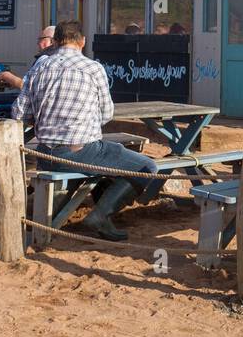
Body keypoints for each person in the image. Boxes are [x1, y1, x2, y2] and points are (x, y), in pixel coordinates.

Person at [11, 20, 158, 241]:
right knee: (147, 166)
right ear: (82, 41)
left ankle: (94, 214)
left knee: (111, 156)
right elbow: (106, 114)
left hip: (45, 154)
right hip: (81, 151)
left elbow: (20, 114)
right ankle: (100, 215)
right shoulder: (93, 68)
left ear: (56, 41)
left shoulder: (39, 67)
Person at [0, 26, 57, 91]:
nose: (37, 43)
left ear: (51, 41)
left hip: (32, 100)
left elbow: (24, 86)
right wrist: (13, 79)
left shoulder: (44, 59)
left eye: (40, 39)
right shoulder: (59, 59)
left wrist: (5, 75)